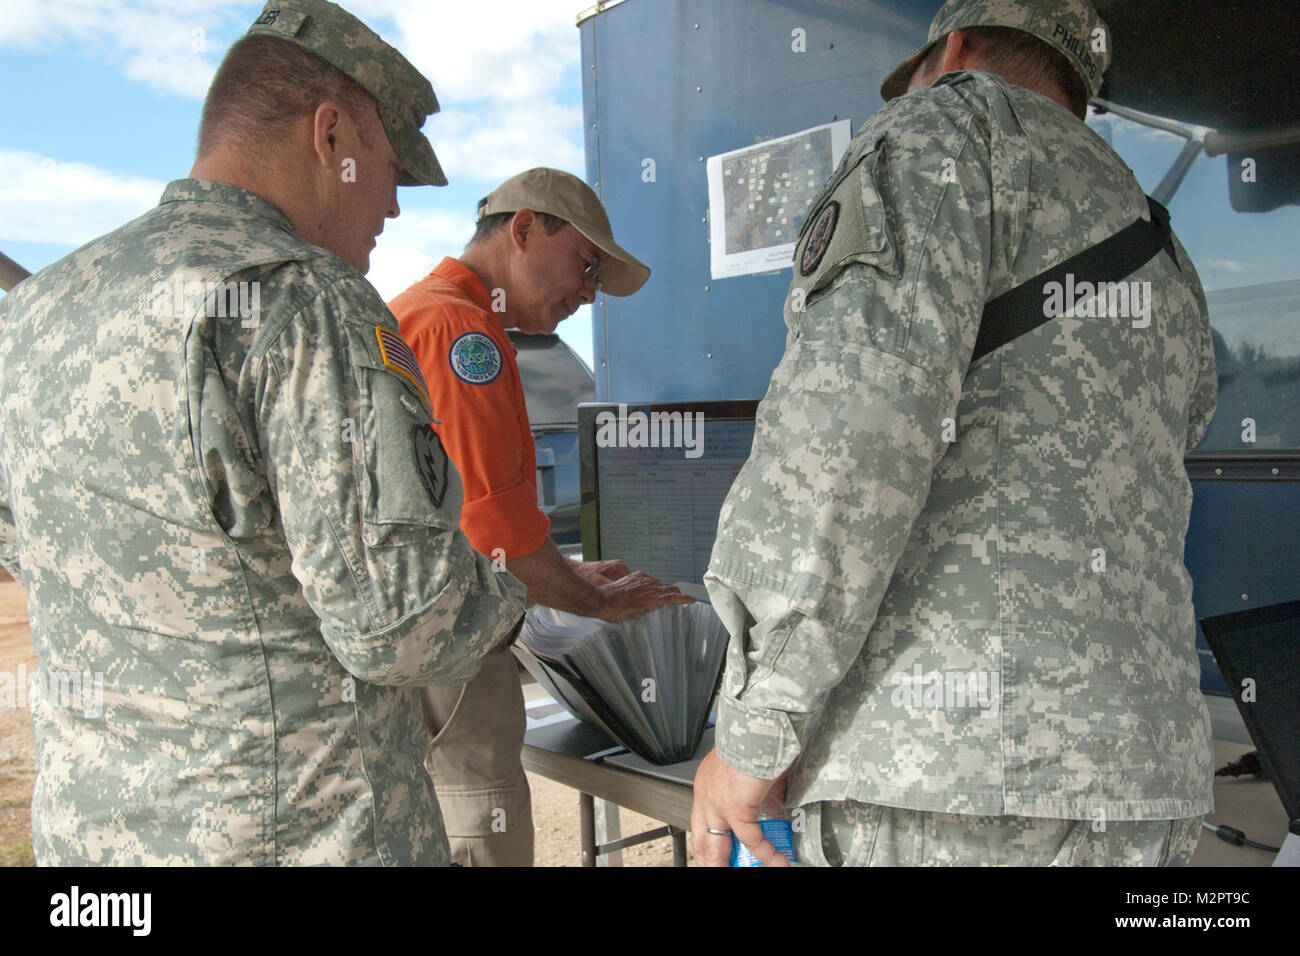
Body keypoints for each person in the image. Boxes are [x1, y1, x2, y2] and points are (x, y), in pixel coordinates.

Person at [691, 0, 1218, 866]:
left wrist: (756, 729)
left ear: (956, 50)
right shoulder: (1162, 245)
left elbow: (849, 432)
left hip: (944, 779)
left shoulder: (949, 124)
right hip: (1140, 786)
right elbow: (1183, 425)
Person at [0, 0, 525, 865]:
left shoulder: (39, 310)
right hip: (300, 837)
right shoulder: (300, 296)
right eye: (390, 167)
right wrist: (511, 605)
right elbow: (403, 622)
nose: (393, 204)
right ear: (330, 137)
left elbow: (32, 549)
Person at [388, 167, 693, 865]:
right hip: (451, 659)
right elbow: (491, 529)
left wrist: (565, 571)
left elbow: (465, 519)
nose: (588, 293)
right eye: (585, 267)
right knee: (477, 831)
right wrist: (596, 601)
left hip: (419, 645)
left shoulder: (423, 311)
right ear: (523, 229)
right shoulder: (460, 330)